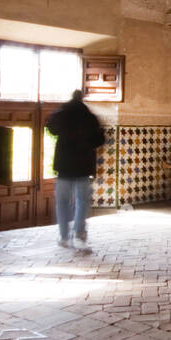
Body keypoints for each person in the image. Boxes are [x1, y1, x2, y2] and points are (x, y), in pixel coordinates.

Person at [46, 89, 105, 251]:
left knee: (62, 203)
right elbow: (99, 139)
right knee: (82, 202)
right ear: (82, 99)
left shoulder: (62, 114)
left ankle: (64, 236)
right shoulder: (89, 117)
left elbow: (50, 127)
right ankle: (79, 233)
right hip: (83, 167)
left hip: (64, 168)